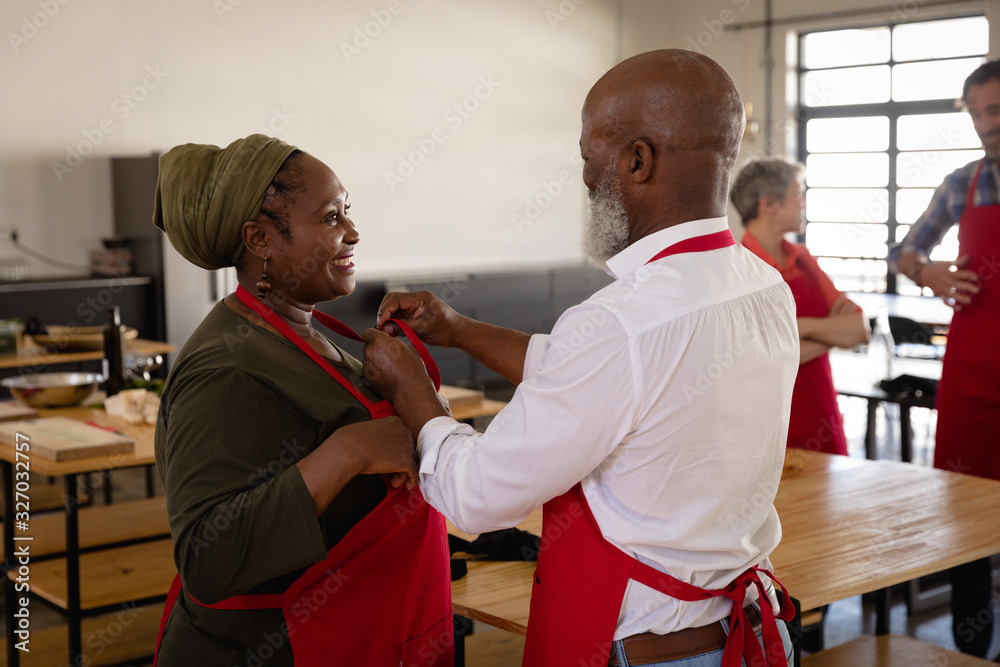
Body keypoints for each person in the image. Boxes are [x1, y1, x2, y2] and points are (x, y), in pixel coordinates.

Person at [362, 50, 799, 667]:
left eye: (589, 159)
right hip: (733, 631)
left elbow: (477, 497)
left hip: (643, 650)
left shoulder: (621, 324)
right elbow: (599, 381)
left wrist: (413, 393)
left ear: (637, 160)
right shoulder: (761, 284)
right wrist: (458, 329)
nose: (587, 180)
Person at [150, 134, 453, 666]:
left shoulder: (306, 333)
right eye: (331, 217)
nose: (353, 232)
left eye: (347, 212)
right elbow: (206, 556)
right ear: (260, 239)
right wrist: (350, 451)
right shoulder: (226, 366)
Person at [889, 59, 1000, 658]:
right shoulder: (964, 183)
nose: (988, 123)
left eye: (998, 109)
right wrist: (928, 271)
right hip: (973, 378)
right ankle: (969, 648)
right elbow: (903, 250)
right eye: (979, 113)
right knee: (969, 519)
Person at [730, 159, 869, 456]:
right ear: (770, 204)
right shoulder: (737, 271)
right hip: (769, 430)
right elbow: (757, 360)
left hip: (822, 414)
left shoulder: (803, 258)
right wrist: (830, 333)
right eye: (798, 193)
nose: (804, 202)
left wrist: (799, 328)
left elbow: (859, 330)